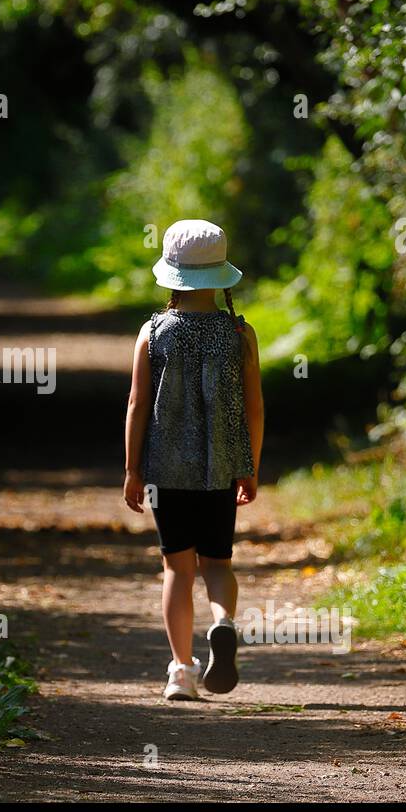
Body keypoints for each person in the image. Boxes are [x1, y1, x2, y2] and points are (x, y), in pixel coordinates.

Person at [122, 219, 265, 701]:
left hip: (167, 471)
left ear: (171, 275)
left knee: (177, 569)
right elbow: (254, 407)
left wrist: (132, 470)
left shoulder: (153, 332)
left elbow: (137, 404)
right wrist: (250, 465)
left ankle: (181, 671)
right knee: (218, 562)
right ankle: (222, 622)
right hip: (221, 468)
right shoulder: (240, 334)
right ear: (221, 274)